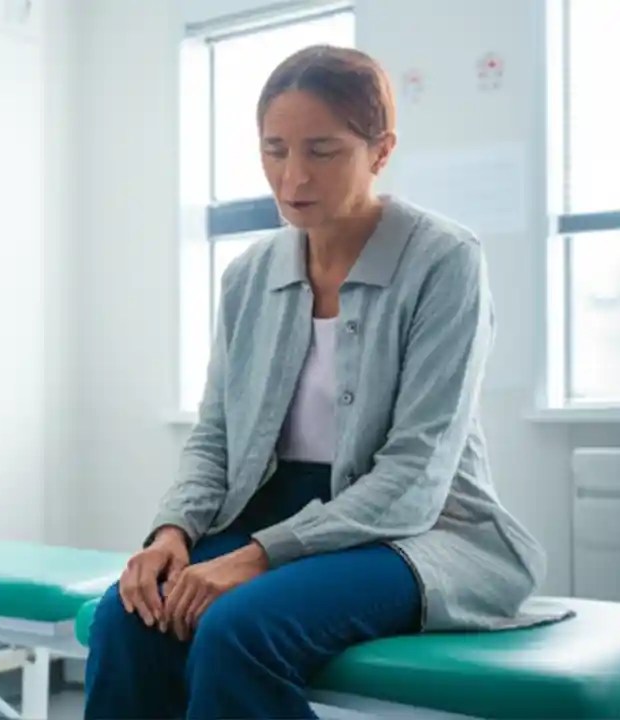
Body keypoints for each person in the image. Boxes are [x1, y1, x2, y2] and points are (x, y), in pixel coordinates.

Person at [84, 45, 566, 720]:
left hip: (417, 531)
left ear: (381, 150)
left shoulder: (444, 260)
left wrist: (256, 557)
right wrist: (172, 534)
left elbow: (416, 474)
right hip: (275, 514)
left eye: (323, 151)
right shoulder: (248, 276)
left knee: (237, 628)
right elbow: (215, 438)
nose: (293, 177)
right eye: (274, 149)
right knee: (126, 618)